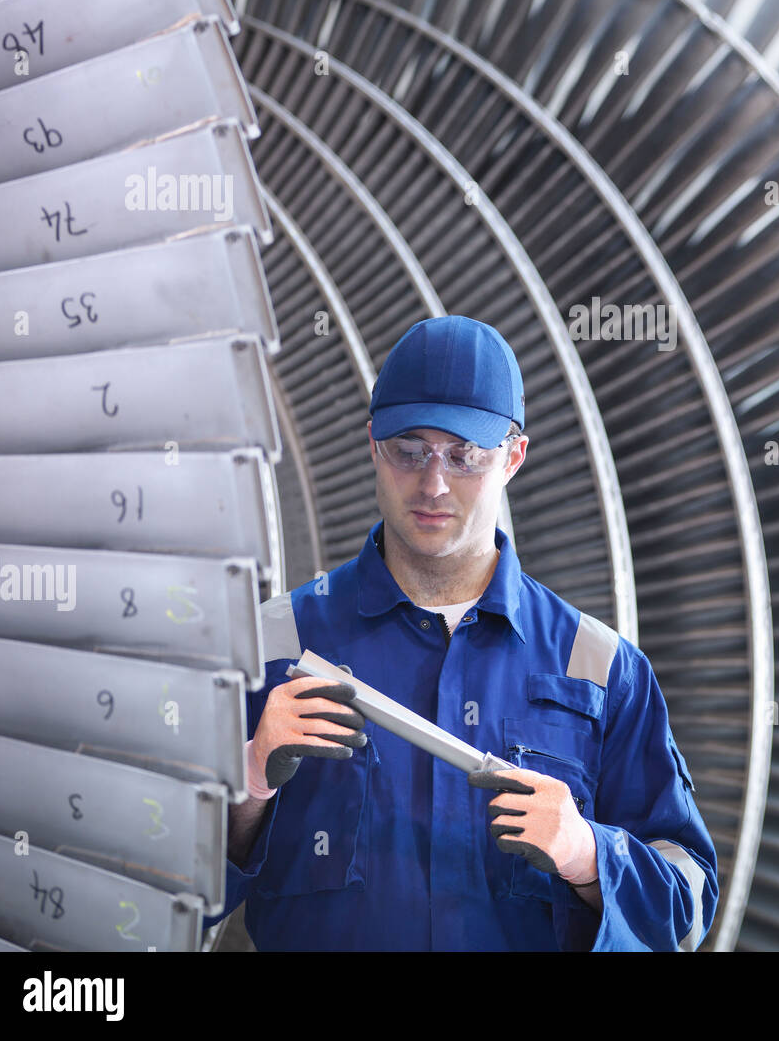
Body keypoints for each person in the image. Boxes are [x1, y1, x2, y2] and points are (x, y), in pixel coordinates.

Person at [206, 314, 718, 951]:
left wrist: (589, 853)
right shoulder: (272, 648)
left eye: (465, 455)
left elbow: (687, 908)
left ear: (514, 457)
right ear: (373, 444)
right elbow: (143, 889)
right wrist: (247, 786)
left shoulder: (600, 669)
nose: (434, 482)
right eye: (410, 450)